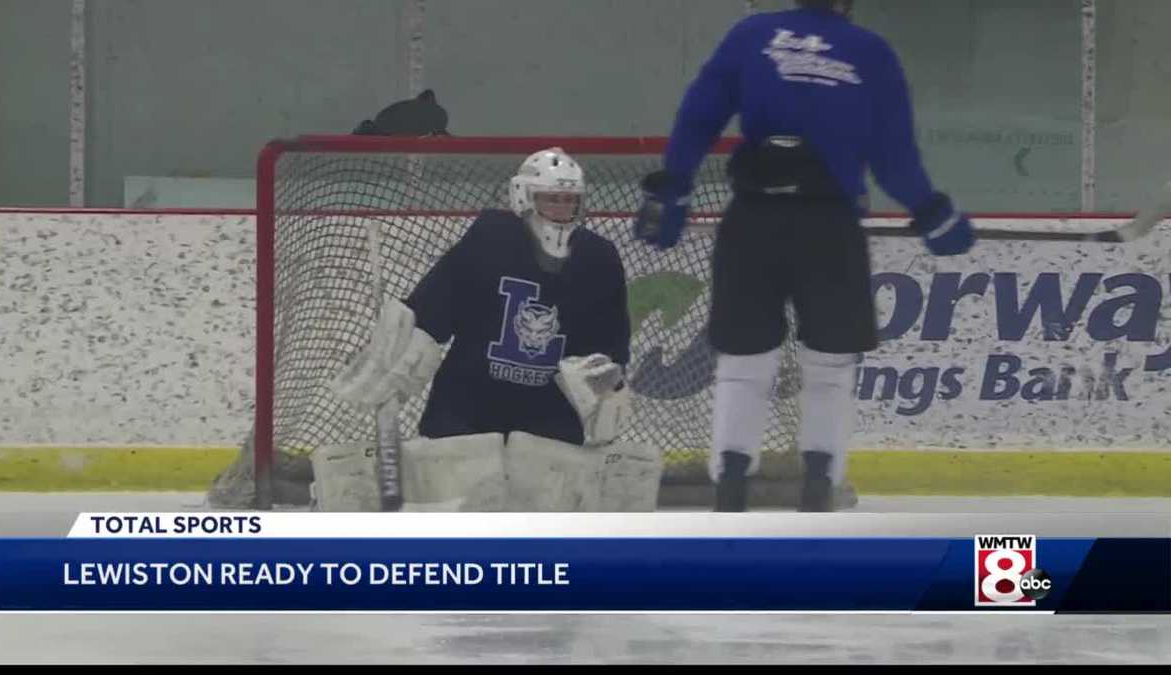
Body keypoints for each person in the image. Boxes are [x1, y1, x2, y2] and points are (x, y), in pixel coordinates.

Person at [633, 0, 976, 512]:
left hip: (753, 221)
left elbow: (698, 115)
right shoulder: (869, 50)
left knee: (744, 360)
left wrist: (676, 187)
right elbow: (893, 152)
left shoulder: (754, 33)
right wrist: (929, 211)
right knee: (831, 362)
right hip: (828, 227)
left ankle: (731, 487)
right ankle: (818, 486)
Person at [322, 148, 662, 512]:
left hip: (548, 417)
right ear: (523, 198)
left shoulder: (599, 259)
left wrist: (604, 381)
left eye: (570, 200)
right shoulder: (488, 241)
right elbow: (432, 311)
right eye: (551, 199)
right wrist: (397, 355)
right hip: (468, 408)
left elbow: (610, 343)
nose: (562, 209)